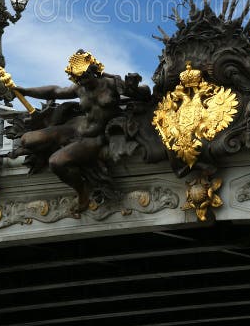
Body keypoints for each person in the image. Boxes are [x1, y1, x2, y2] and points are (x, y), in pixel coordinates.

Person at [10, 49, 148, 212]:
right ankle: (57, 146)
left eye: (84, 77)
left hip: (94, 137)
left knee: (56, 162)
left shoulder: (112, 84)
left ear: (93, 71)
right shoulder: (80, 87)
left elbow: (145, 93)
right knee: (27, 140)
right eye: (78, 78)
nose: (81, 81)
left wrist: (134, 88)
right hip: (75, 127)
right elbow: (55, 91)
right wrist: (25, 91)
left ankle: (82, 191)